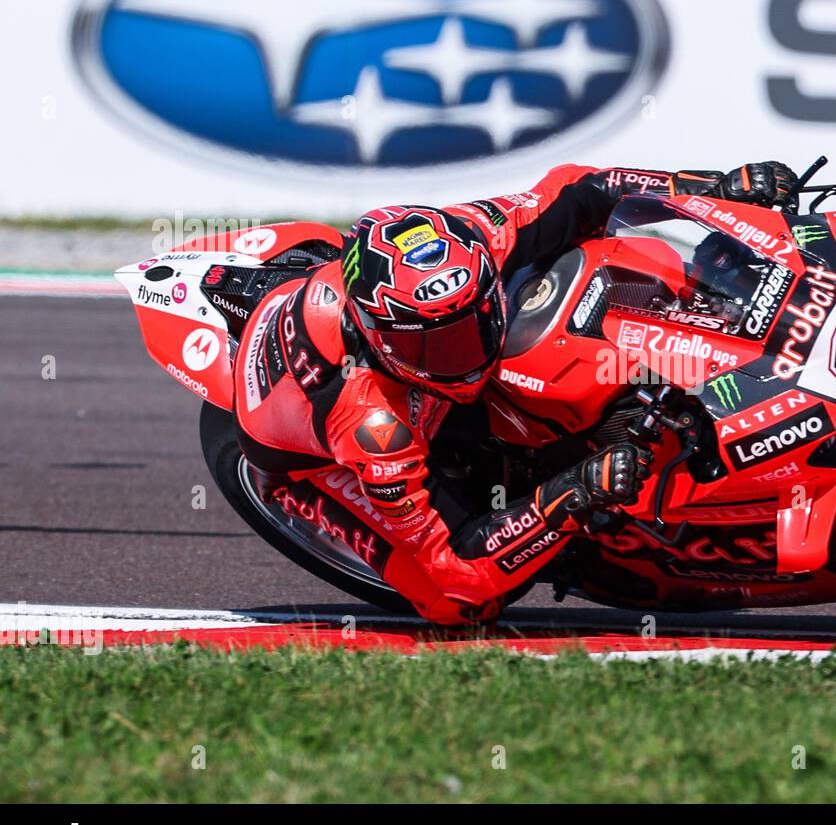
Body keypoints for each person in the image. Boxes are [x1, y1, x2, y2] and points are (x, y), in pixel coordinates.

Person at [232, 161, 797, 624]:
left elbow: (582, 188)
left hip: (358, 336)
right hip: (299, 459)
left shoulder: (471, 235)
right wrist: (572, 491)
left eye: (471, 322)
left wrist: (712, 189)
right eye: (433, 346)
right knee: (461, 606)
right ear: (379, 337)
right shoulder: (374, 430)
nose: (462, 354)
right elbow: (456, 567)